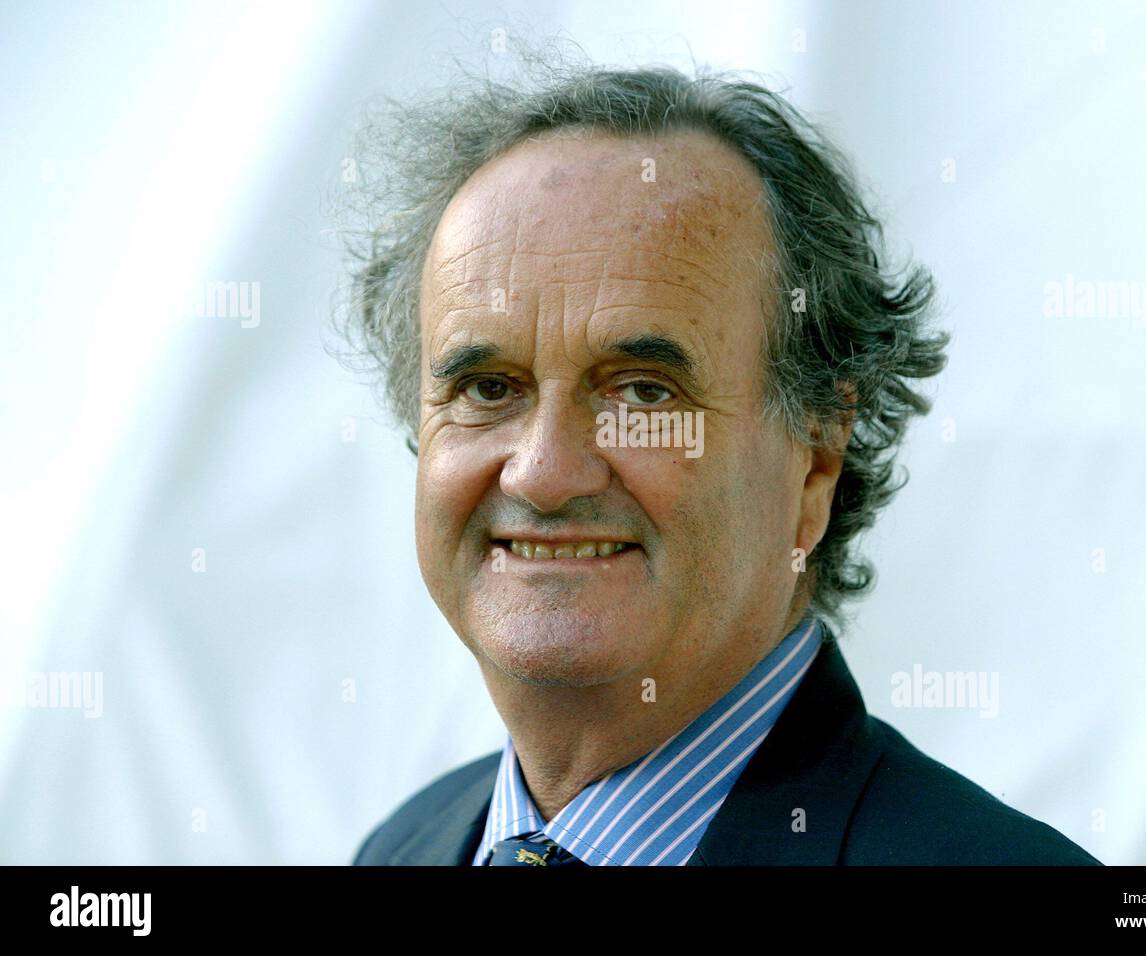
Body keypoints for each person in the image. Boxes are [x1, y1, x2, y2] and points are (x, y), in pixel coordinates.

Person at [336, 54, 1101, 866]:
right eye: (489, 387)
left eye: (643, 394)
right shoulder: (402, 849)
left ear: (816, 454)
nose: (542, 473)